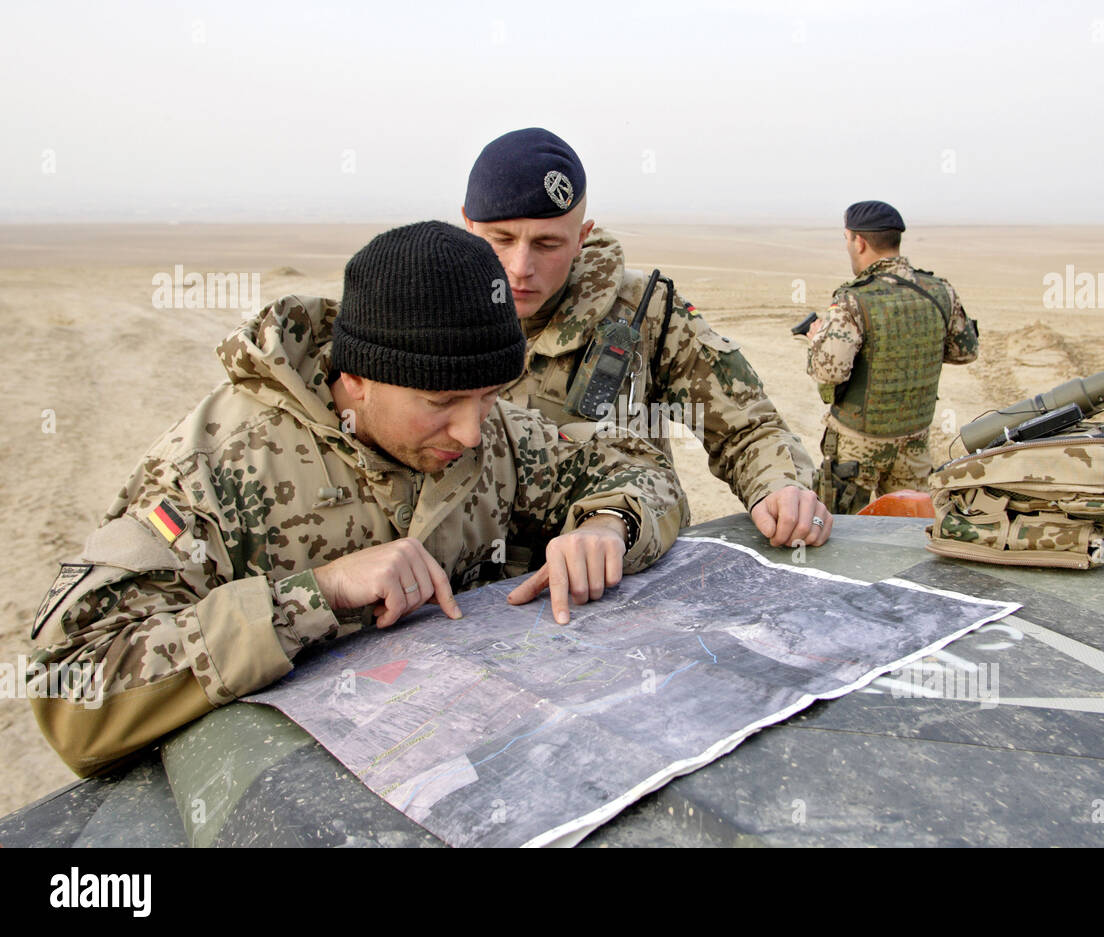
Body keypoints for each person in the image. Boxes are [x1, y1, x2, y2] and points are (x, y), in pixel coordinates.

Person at [28, 221, 686, 777]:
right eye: (442, 403)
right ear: (357, 379)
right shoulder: (214, 472)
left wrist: (608, 525)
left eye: (489, 396)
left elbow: (638, 464)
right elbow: (72, 687)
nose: (474, 430)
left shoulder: (491, 430)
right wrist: (314, 595)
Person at [460, 127, 831, 547]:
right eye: (501, 239)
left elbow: (747, 431)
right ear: (467, 225)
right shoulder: (420, 315)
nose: (520, 266)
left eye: (547, 244)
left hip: (622, 572)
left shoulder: (646, 313)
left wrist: (780, 486)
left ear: (582, 237)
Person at [806, 200, 979, 513]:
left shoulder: (854, 299)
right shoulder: (939, 290)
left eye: (847, 239)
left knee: (838, 531)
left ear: (858, 241)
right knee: (911, 531)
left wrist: (818, 338)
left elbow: (829, 372)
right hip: (914, 441)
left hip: (857, 444)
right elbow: (965, 351)